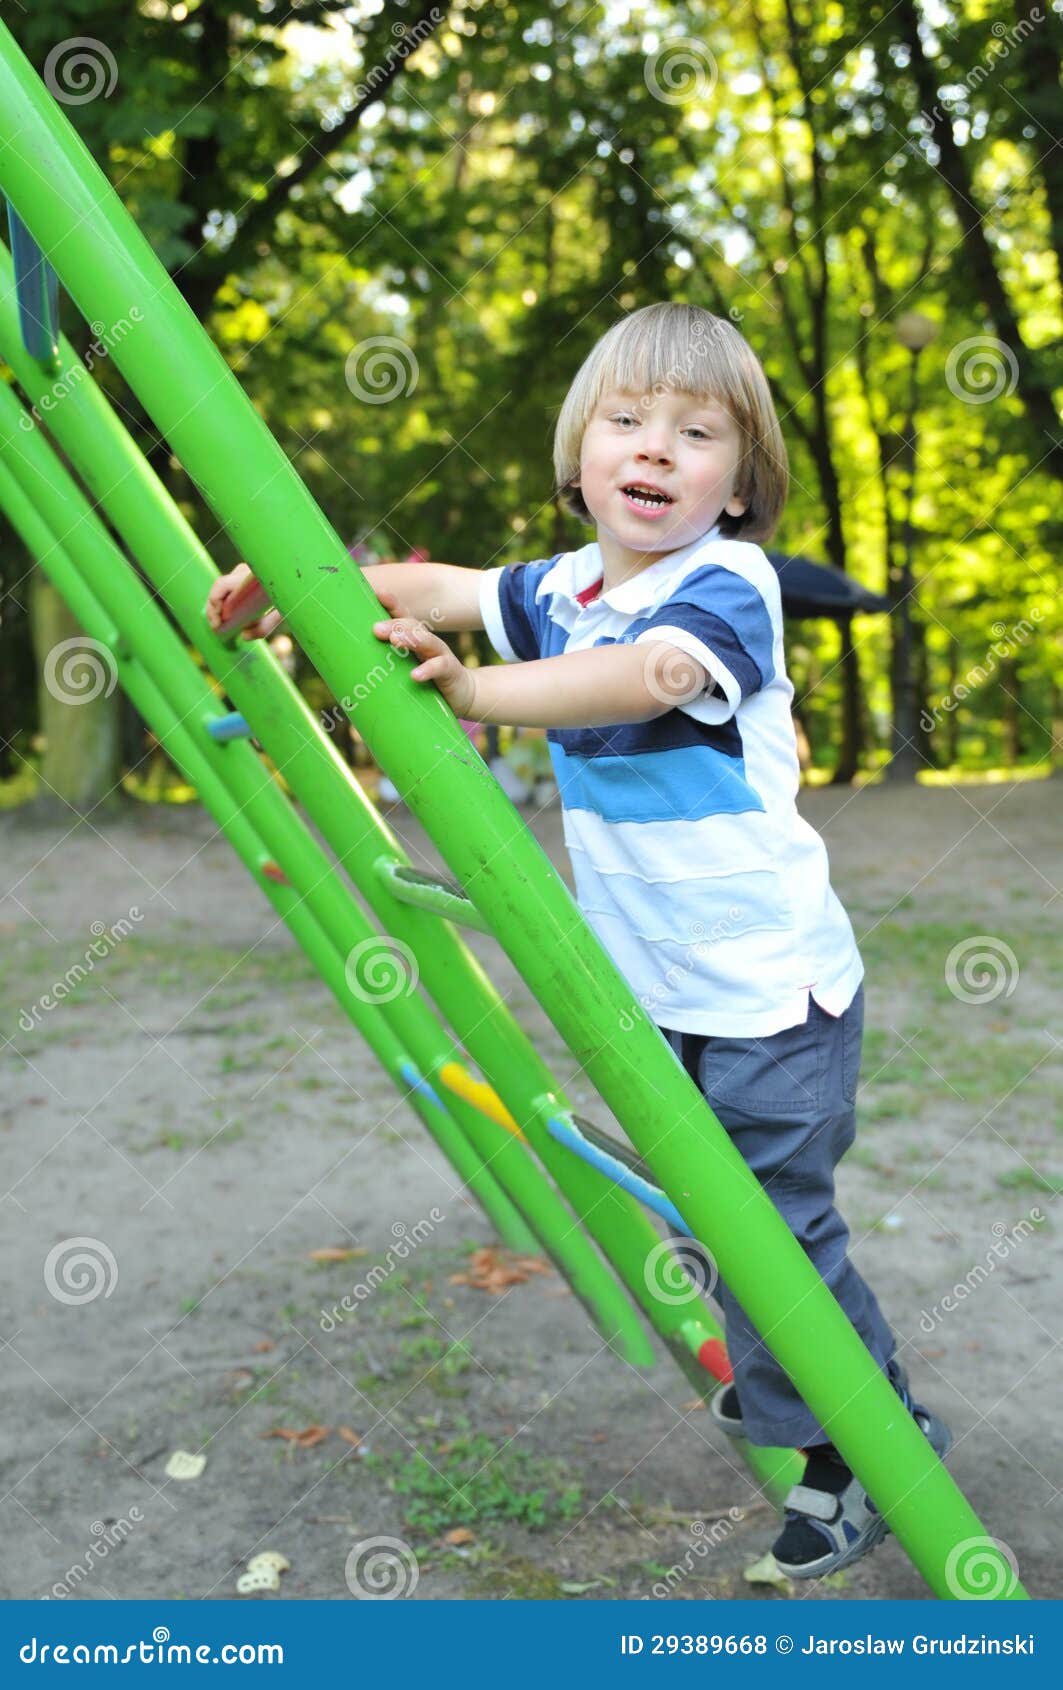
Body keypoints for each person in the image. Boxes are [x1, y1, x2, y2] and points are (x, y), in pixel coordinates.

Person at [205, 302, 950, 1579]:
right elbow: (440, 588)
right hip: (666, 987)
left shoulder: (726, 587)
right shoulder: (560, 588)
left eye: (696, 431)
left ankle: (850, 1464)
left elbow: (650, 676)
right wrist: (304, 587)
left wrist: (482, 692)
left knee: (771, 1225)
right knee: (719, 1219)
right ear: (579, 454)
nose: (655, 447)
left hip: (772, 989)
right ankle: (848, 1403)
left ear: (741, 478)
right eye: (627, 420)